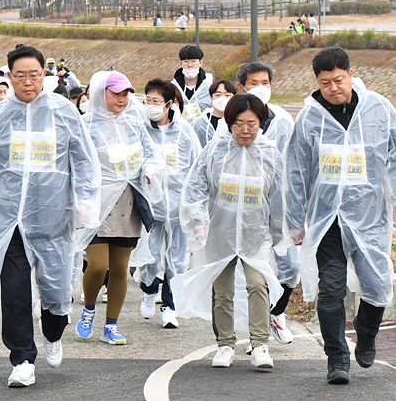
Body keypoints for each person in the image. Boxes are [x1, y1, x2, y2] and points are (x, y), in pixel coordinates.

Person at [0, 45, 101, 388]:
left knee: (56, 293)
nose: (28, 81)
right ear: (9, 78)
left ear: (45, 76)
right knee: (14, 292)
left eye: (34, 75)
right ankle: (22, 357)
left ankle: (53, 333)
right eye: (20, 75)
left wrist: (85, 201)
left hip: (54, 218)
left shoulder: (63, 113)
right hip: (10, 220)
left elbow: (83, 159)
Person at [285, 47, 396, 385]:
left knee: (377, 283)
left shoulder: (378, 110)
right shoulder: (310, 118)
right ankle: (336, 358)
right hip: (328, 216)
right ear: (317, 82)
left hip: (370, 214)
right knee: (331, 288)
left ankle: (367, 332)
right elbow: (296, 170)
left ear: (351, 75)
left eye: (338, 80)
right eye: (325, 82)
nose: (333, 88)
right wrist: (295, 219)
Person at [177, 94, 286, 370]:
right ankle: (225, 345)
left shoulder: (270, 153)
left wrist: (279, 231)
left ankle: (260, 344)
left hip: (255, 232)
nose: (245, 130)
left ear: (261, 122)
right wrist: (199, 219)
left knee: (257, 284)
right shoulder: (214, 151)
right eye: (238, 124)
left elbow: (279, 196)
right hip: (220, 231)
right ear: (228, 123)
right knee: (222, 289)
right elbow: (195, 187)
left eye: (252, 123)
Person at [75, 71, 165, 345]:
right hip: (97, 203)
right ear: (101, 93)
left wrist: (148, 169)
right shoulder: (86, 123)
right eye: (116, 93)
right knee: (98, 265)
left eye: (126, 93)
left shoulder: (135, 123)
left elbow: (150, 154)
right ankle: (89, 308)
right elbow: (77, 161)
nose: (122, 99)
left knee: (119, 268)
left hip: (128, 201)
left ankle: (111, 325)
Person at [236, 62, 298, 345]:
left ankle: (277, 312)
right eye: (253, 83)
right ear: (241, 88)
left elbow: (294, 163)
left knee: (291, 267)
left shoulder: (284, 121)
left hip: (279, 207)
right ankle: (254, 335)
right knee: (254, 275)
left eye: (265, 82)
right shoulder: (233, 123)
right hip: (246, 209)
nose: (260, 88)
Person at [137, 79, 201, 329]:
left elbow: (196, 168)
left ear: (170, 104)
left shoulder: (185, 131)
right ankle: (150, 289)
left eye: (156, 101)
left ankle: (169, 306)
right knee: (150, 258)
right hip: (151, 207)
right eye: (148, 101)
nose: (151, 106)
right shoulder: (142, 129)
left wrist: (195, 208)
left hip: (178, 207)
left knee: (177, 260)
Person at [172, 45, 213, 124]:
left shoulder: (209, 86)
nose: (189, 65)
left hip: (203, 128)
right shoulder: (173, 87)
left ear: (201, 63)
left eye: (193, 61)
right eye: (186, 61)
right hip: (180, 127)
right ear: (181, 63)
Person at [192, 78, 237, 148]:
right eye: (218, 95)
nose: (222, 98)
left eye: (227, 95)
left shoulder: (238, 120)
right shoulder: (200, 122)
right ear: (211, 97)